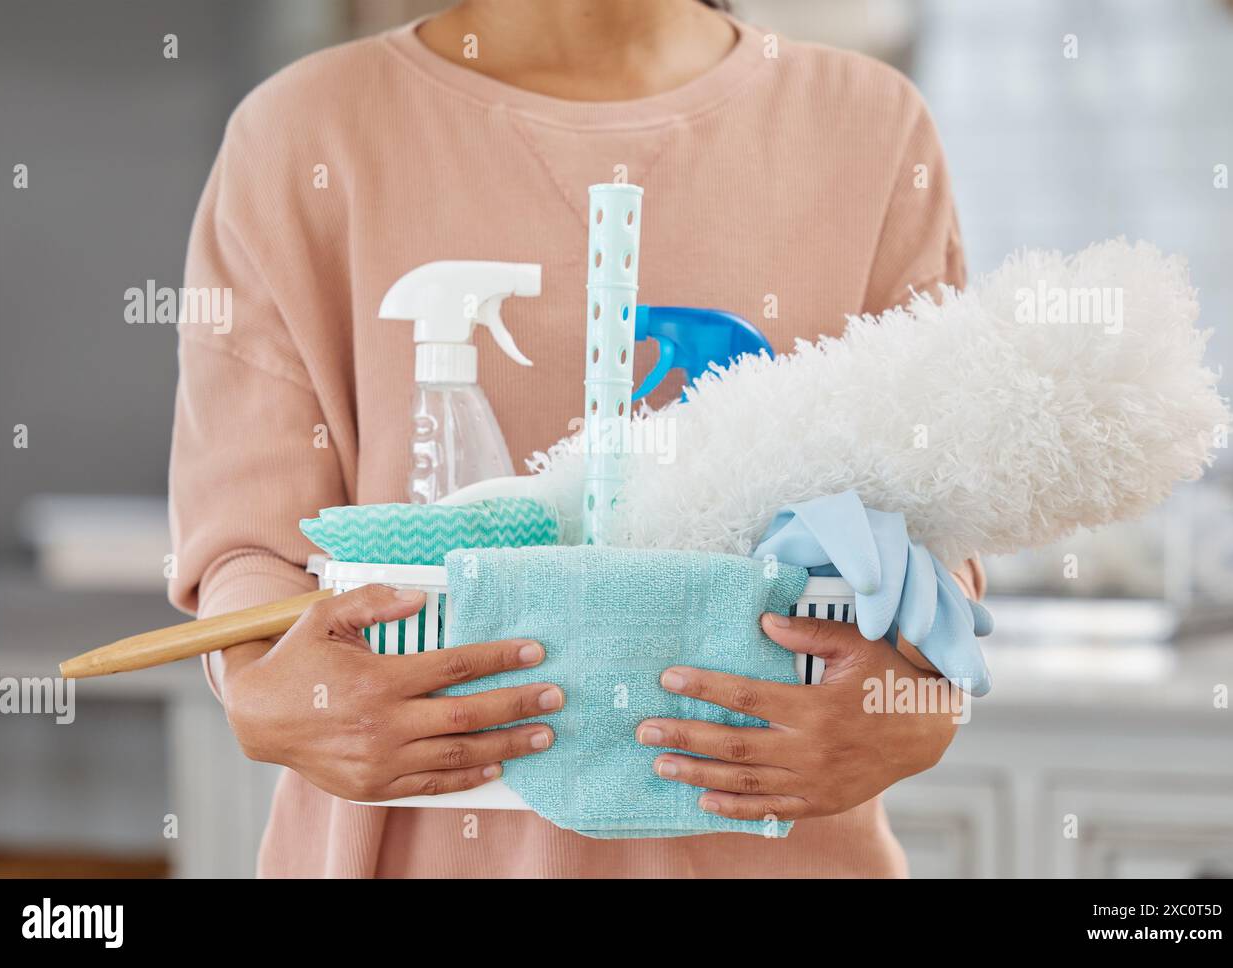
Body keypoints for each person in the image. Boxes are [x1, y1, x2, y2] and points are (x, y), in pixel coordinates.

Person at [169, 0, 986, 878]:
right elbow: (249, 558)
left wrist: (920, 696)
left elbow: (935, 544)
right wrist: (260, 684)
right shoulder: (303, 132)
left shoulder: (867, 126)